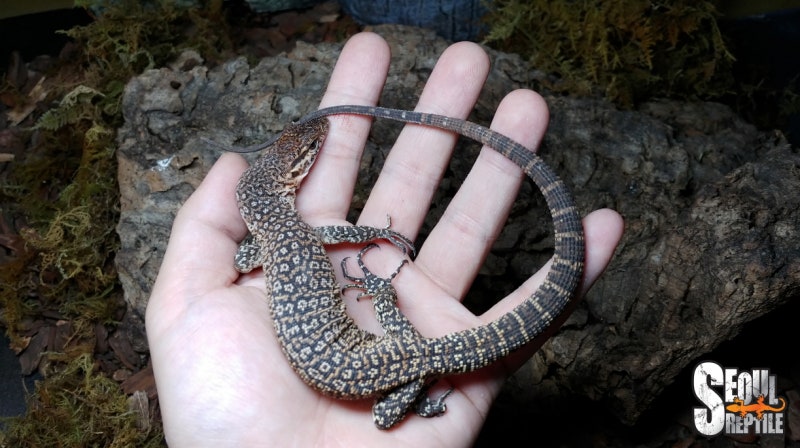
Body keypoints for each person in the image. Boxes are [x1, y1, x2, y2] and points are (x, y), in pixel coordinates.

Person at [145, 32, 624, 446]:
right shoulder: (305, 236)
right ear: (290, 179)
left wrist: (417, 397)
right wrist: (373, 255)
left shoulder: (264, 246)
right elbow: (328, 236)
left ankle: (417, 385)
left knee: (383, 414)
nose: (316, 143)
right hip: (393, 349)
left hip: (396, 360)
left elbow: (255, 254)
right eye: (309, 149)